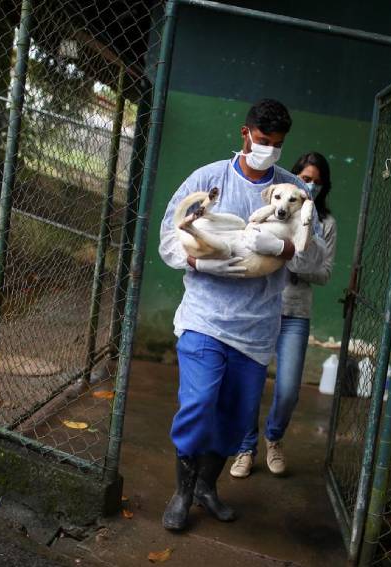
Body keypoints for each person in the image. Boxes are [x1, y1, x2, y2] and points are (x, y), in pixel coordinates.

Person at [157, 99, 324, 531]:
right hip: (205, 317)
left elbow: (316, 261)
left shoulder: (293, 192)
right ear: (244, 134)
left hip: (256, 327)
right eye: (263, 140)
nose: (269, 150)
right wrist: (199, 263)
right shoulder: (208, 178)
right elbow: (168, 239)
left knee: (234, 417)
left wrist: (286, 248)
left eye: (278, 144)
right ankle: (181, 492)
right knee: (198, 403)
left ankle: (207, 488)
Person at [230, 152, 337, 478]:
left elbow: (325, 273)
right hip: (261, 307)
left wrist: (290, 255)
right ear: (291, 180)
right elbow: (248, 246)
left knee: (289, 389)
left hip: (295, 313)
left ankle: (273, 439)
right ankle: (245, 447)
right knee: (250, 383)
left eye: (317, 182)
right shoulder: (270, 211)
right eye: (305, 178)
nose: (310, 185)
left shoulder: (326, 223)